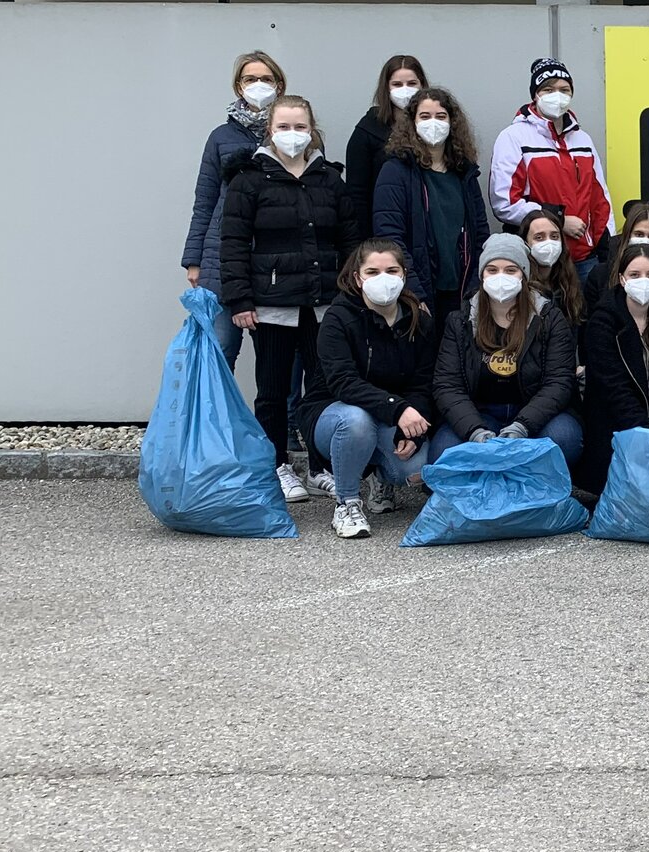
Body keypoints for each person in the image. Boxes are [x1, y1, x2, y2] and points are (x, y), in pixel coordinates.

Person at [219, 93, 361, 504]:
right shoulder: (248, 179)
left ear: (312, 130)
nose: (292, 134)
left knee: (323, 388)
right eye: (284, 126)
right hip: (271, 306)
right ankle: (277, 465)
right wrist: (240, 300)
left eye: (300, 127)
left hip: (325, 305)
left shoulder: (330, 179)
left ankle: (320, 467)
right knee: (274, 389)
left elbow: (351, 241)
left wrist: (350, 294)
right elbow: (233, 245)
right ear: (269, 130)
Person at [297, 240, 450, 540]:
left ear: (404, 275)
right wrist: (398, 408)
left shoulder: (419, 320)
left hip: (391, 417)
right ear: (357, 278)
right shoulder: (338, 318)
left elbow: (423, 381)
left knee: (415, 468)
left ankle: (380, 477)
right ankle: (347, 502)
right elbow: (342, 382)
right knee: (356, 422)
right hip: (334, 413)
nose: (384, 278)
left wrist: (410, 429)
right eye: (372, 271)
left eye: (392, 270)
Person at [432, 233, 583, 462]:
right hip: (481, 413)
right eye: (492, 270)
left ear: (524, 275)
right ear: (482, 274)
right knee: (443, 451)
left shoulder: (549, 317)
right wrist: (474, 430)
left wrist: (522, 426)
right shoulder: (460, 320)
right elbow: (447, 385)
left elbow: (559, 382)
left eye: (511, 270)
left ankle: (532, 488)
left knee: (565, 437)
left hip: (534, 414)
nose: (500, 277)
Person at [182, 49, 285, 364]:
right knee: (220, 351)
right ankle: (215, 415)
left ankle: (282, 417)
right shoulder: (220, 137)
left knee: (279, 360)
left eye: (266, 79)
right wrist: (193, 261)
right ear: (238, 86)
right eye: (250, 79)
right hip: (222, 261)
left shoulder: (293, 132)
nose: (258, 85)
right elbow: (205, 202)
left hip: (275, 264)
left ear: (279, 85)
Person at [490, 57, 615, 285]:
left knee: (583, 319)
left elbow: (600, 197)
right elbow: (504, 202)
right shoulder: (513, 137)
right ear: (535, 95)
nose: (557, 95)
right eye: (548, 89)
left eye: (564, 89)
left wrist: (607, 244)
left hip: (584, 259)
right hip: (538, 259)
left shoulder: (582, 139)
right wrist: (557, 220)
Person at [372, 85, 488, 325]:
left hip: (461, 291)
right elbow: (390, 237)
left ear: (452, 122)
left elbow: (481, 234)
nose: (433, 123)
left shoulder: (464, 173)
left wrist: (475, 288)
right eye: (424, 116)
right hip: (420, 293)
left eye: (441, 116)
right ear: (412, 123)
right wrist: (414, 291)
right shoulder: (396, 171)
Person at [580, 242, 649, 486]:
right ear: (622, 279)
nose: (644, 280)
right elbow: (612, 387)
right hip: (614, 424)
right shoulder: (603, 320)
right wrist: (645, 430)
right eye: (635, 275)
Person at [345, 55, 427, 225]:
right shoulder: (367, 130)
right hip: (384, 227)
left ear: (422, 85)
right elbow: (357, 192)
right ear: (386, 88)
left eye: (412, 84)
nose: (405, 90)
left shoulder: (434, 126)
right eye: (397, 84)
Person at [517, 205, 588, 327]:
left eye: (554, 236)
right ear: (525, 243)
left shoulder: (569, 285)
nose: (548, 242)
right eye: (539, 237)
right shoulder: (519, 288)